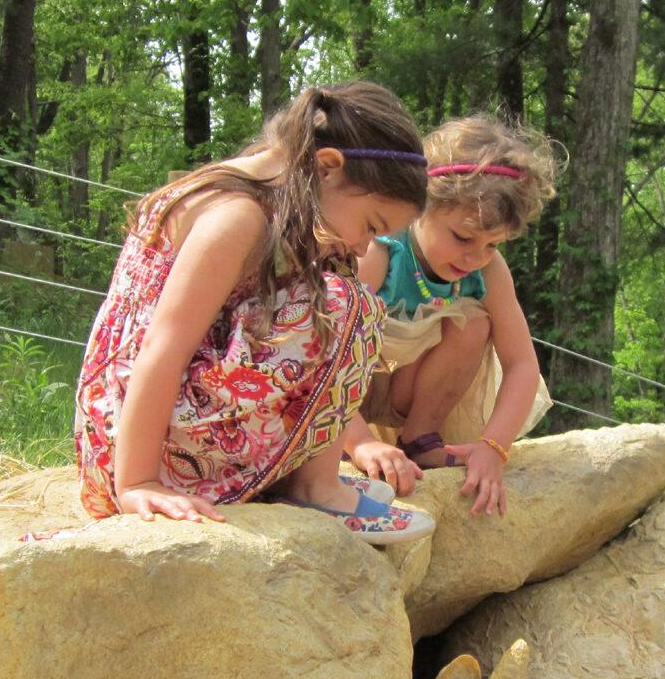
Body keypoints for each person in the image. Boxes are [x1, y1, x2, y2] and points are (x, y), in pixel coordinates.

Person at [74, 81, 435, 545]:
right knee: (347, 303)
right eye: (371, 225)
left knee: (333, 281)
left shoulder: (257, 188)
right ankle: (315, 488)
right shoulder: (238, 216)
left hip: (129, 437)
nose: (367, 246)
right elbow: (162, 349)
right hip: (140, 456)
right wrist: (138, 483)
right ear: (327, 168)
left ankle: (299, 478)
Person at [351, 114, 559, 516]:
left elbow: (520, 364)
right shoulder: (379, 252)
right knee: (342, 329)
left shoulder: (488, 270)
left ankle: (420, 440)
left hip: (407, 391)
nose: (475, 257)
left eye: (493, 244)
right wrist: (359, 442)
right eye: (463, 237)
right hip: (344, 395)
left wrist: (494, 447)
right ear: (420, 206)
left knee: (475, 323)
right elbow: (316, 358)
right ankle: (352, 441)